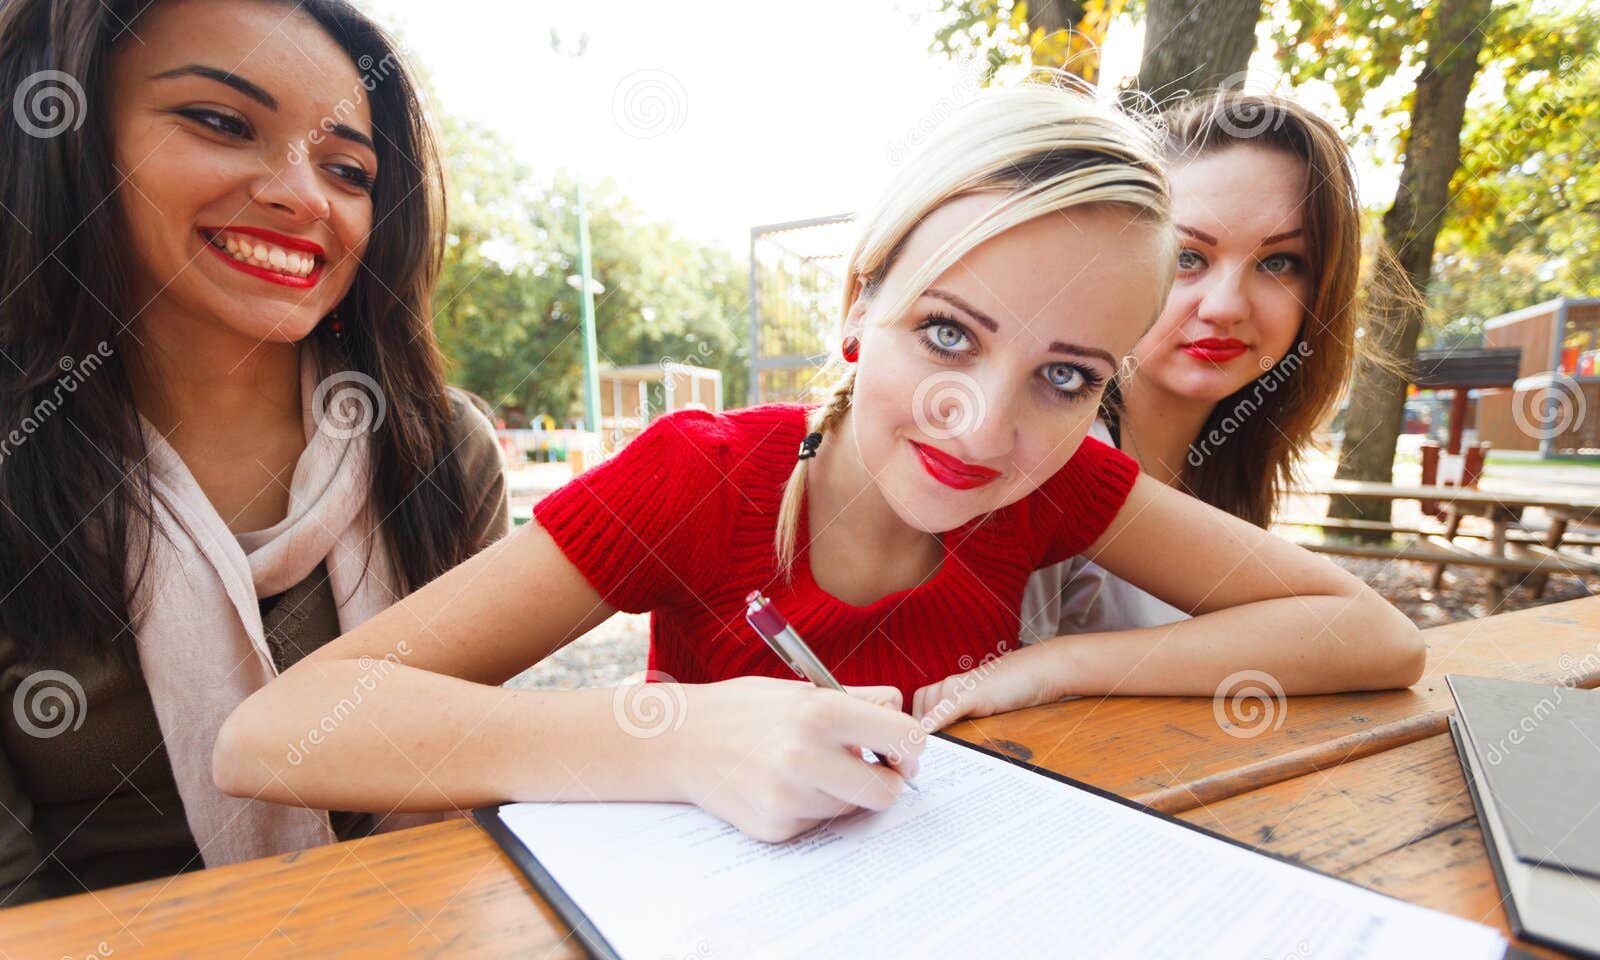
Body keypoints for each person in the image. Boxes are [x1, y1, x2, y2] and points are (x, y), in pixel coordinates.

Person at [216, 82, 1424, 847]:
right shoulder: (699, 476)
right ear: (858, 303)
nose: (980, 425)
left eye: (1067, 375)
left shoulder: (1054, 482)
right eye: (947, 332)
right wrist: (673, 738)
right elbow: (281, 731)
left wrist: (1057, 665)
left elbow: (1372, 636)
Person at [0, 0, 508, 906]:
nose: (302, 196)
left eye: (347, 168)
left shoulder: (443, 450)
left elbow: (484, 771)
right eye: (223, 122)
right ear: (63, 137)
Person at [1023, 90, 1363, 639]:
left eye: (1279, 262)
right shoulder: (1053, 456)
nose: (1226, 306)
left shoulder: (1230, 463)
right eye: (1187, 257)